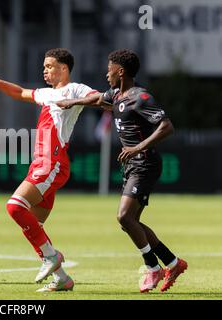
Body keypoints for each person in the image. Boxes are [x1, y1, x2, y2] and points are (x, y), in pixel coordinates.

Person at [0, 48, 99, 292]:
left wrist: (72, 102)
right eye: (44, 66)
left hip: (53, 162)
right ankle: (61, 278)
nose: (45, 70)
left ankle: (52, 258)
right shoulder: (47, 94)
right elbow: (20, 93)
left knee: (15, 207)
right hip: (41, 163)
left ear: (64, 68)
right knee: (34, 225)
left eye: (49, 66)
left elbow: (100, 98)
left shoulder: (75, 89)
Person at [57, 49, 187, 293]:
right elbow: (98, 100)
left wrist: (137, 147)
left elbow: (167, 126)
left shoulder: (140, 97)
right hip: (133, 165)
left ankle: (152, 267)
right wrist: (72, 102)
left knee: (124, 217)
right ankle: (172, 262)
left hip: (145, 163)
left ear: (121, 71)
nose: (107, 74)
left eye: (110, 69)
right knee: (131, 221)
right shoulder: (117, 94)